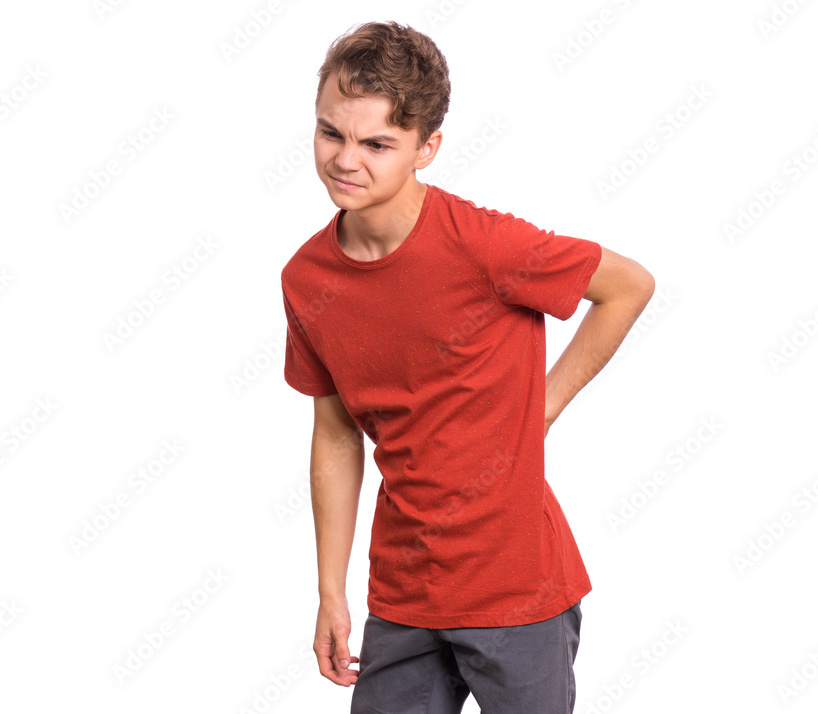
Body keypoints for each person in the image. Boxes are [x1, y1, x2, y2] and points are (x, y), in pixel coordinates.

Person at [280, 20, 655, 714]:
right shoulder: (307, 279)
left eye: (377, 144)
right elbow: (335, 433)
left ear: (428, 148)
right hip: (402, 595)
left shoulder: (486, 247)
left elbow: (627, 286)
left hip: (518, 593)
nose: (346, 159)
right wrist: (331, 591)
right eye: (332, 133)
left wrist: (539, 408)